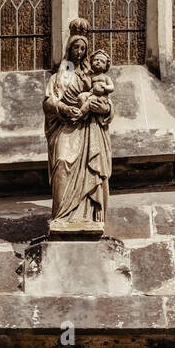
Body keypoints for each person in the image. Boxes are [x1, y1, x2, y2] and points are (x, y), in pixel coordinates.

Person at [43, 21, 114, 231]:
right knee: (63, 162)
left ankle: (88, 216)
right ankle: (62, 217)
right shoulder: (61, 75)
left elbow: (106, 102)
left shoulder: (92, 75)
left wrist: (104, 108)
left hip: (89, 130)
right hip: (65, 127)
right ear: (69, 48)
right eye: (76, 47)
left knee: (91, 172)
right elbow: (48, 101)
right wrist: (64, 109)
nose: (80, 52)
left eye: (83, 48)